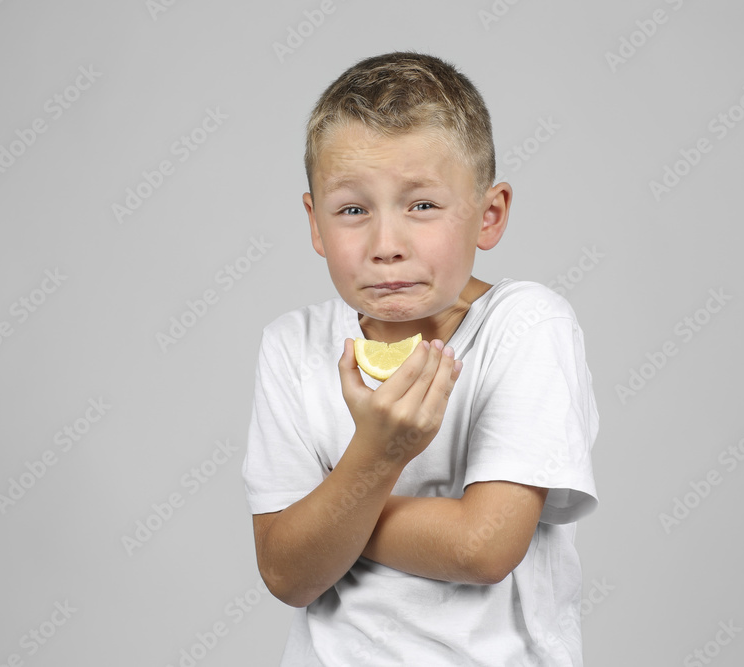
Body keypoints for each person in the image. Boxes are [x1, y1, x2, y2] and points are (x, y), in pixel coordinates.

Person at [242, 51, 599, 666]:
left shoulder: (526, 326)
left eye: (423, 206)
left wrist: (334, 513)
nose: (386, 246)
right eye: (353, 210)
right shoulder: (290, 346)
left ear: (489, 215)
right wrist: (377, 455)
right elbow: (285, 573)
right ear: (316, 224)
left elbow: (482, 548)